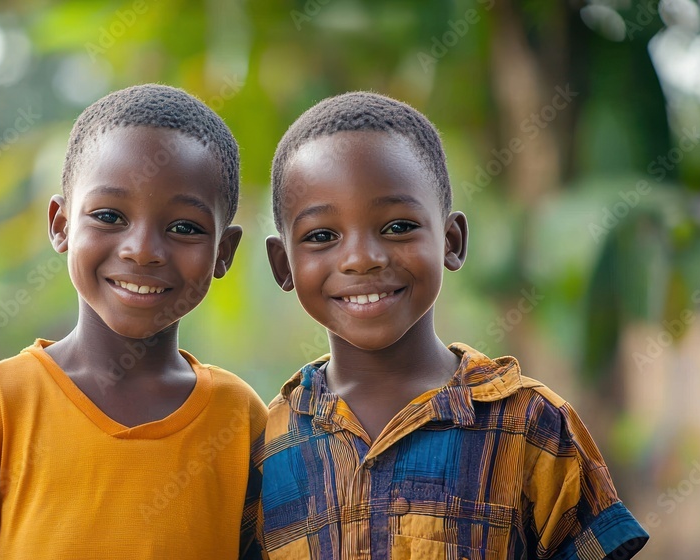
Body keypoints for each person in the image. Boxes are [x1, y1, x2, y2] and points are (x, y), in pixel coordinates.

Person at [258, 91, 648, 559]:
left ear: (451, 241)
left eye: (398, 227)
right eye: (322, 236)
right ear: (283, 264)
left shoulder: (531, 423)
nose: (362, 258)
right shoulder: (266, 442)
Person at [0, 84, 266, 559]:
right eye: (110, 216)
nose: (142, 250)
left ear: (223, 252)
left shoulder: (240, 420)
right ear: (61, 225)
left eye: (184, 227)